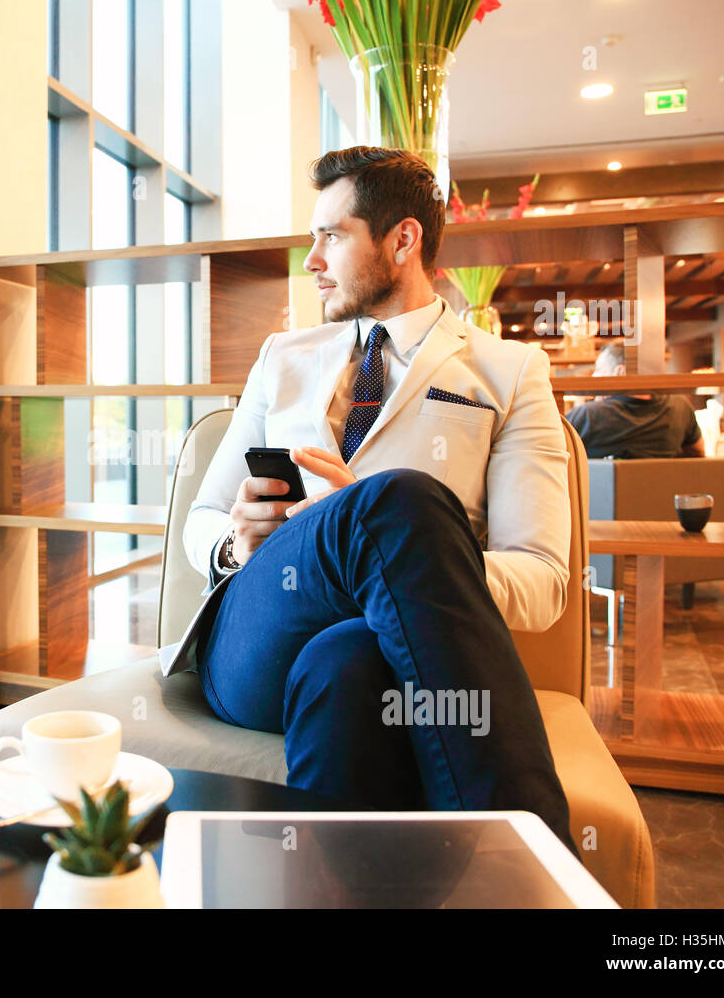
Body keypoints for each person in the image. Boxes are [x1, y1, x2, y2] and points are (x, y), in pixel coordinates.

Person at [157, 146, 578, 855]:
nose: (311, 260)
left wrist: (385, 555)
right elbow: (202, 524)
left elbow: (542, 579)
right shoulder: (281, 358)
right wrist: (241, 539)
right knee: (399, 506)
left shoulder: (508, 371)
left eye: (332, 235)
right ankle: (535, 867)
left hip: (381, 655)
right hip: (258, 640)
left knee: (350, 663)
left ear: (403, 239)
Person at [565, 341, 705, 458]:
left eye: (599, 369)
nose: (594, 376)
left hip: (599, 489)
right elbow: (698, 454)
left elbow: (553, 459)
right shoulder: (679, 406)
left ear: (620, 372)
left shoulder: (587, 416)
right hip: (667, 489)